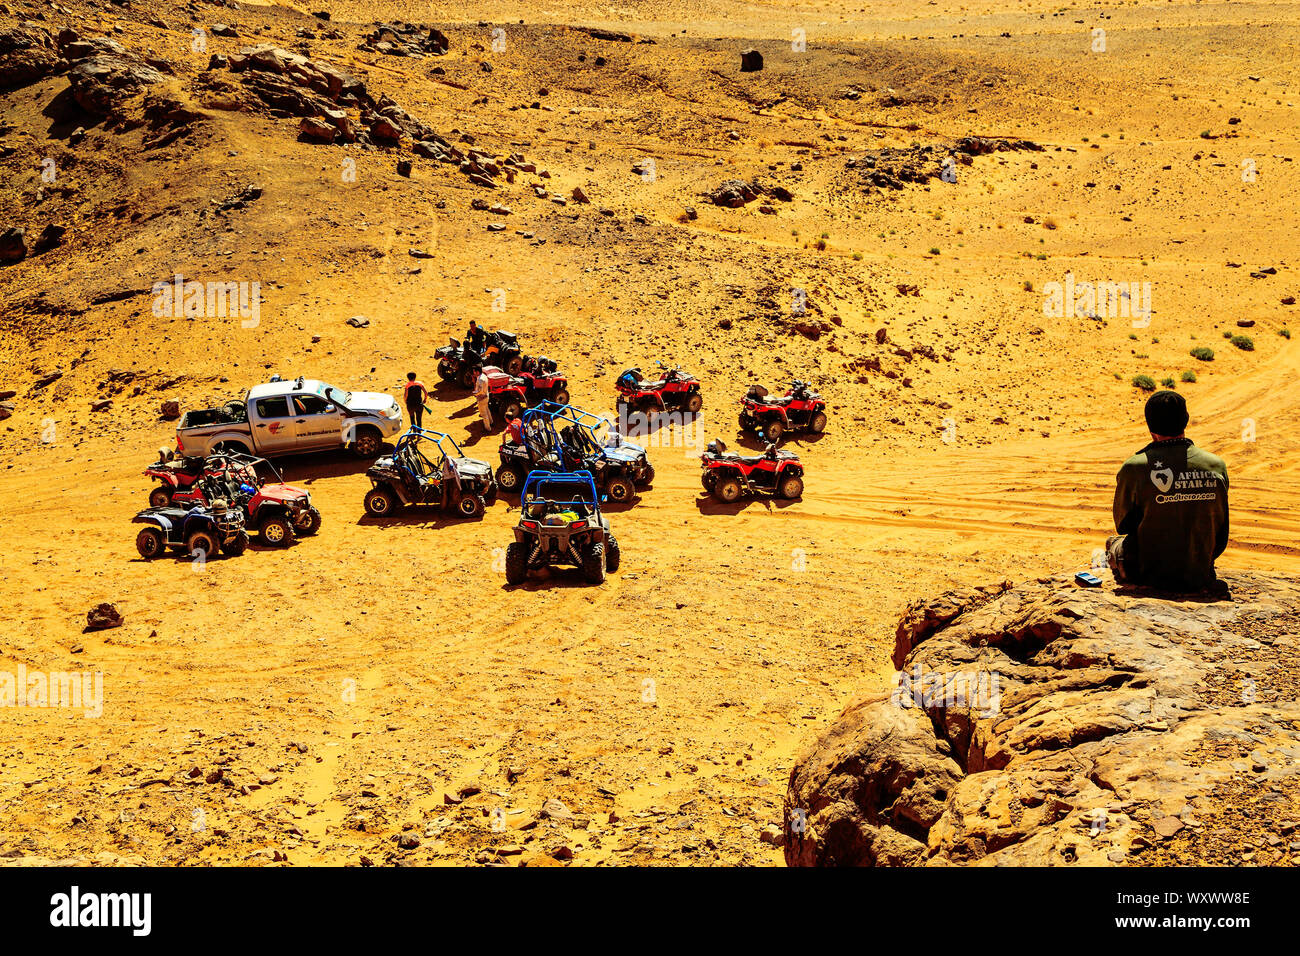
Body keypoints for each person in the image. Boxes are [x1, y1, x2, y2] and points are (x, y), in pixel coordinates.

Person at [1108, 390, 1229, 591]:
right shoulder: (1216, 465)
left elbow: (1123, 525)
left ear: (1149, 425)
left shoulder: (1134, 467)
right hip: (1199, 572)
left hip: (1148, 574)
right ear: (1186, 420)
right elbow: (1221, 527)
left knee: (1113, 543)